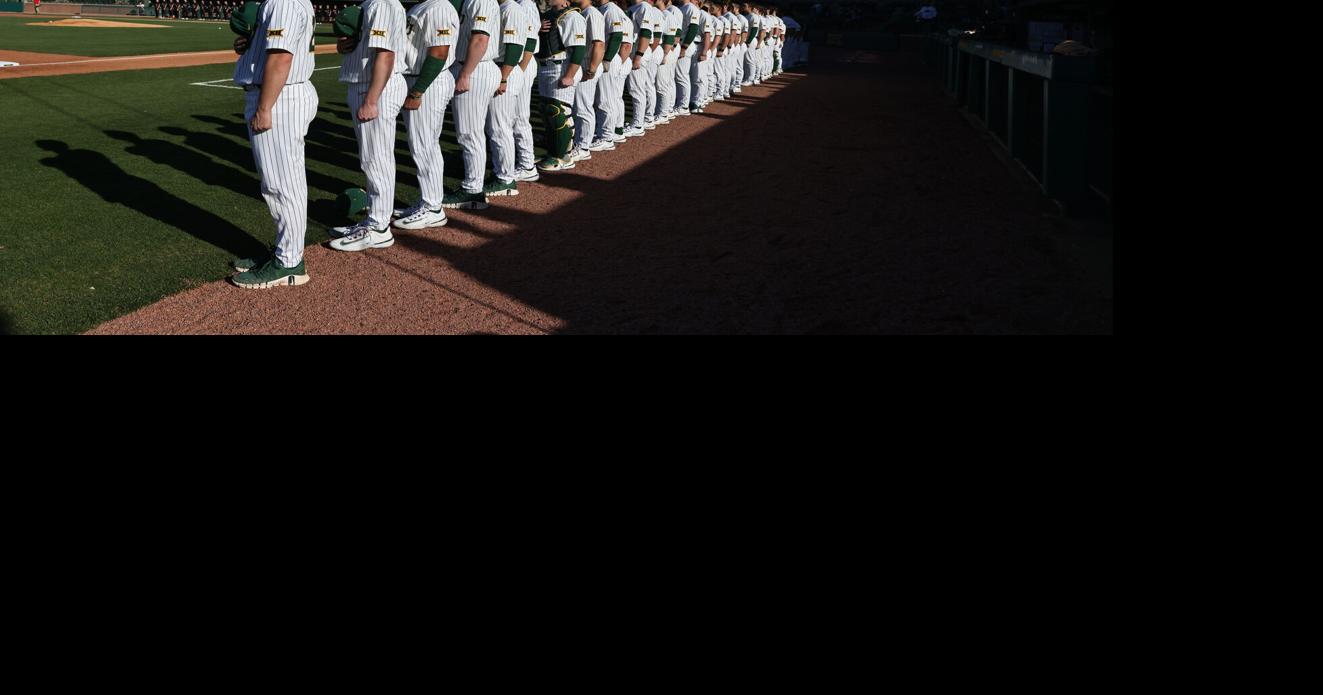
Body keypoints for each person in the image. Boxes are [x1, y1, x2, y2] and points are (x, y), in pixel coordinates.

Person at [228, 0, 319, 289]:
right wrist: (251, 45)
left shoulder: (283, 1)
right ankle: (285, 252)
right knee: (282, 182)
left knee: (282, 185)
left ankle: (289, 262)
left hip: (280, 99)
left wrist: (265, 107)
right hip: (283, 94)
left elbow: (281, 58)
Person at [329, 0, 408, 252]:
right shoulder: (371, 3)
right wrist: (345, 46)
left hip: (375, 89)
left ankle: (379, 228)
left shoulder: (381, 4)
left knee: (376, 159)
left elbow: (386, 54)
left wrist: (372, 100)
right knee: (374, 158)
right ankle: (376, 218)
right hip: (368, 85)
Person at [390, 0, 459, 231]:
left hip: (428, 82)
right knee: (423, 144)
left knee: (424, 145)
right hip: (421, 79)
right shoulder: (423, 5)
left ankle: (432, 208)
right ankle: (428, 201)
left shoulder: (438, 7)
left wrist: (418, 91)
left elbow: (439, 52)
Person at [444, 0, 502, 209]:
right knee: (473, 131)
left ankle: (473, 189)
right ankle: (474, 182)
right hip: (475, 67)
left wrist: (465, 74)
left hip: (475, 69)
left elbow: (480, 39)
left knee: (469, 133)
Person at [482, 0, 531, 195]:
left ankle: (505, 179)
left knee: (499, 127)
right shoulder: (503, 7)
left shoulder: (511, 9)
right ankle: (501, 172)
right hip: (502, 69)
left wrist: (503, 77)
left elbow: (515, 46)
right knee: (498, 127)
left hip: (505, 70)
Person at [534, 0, 586, 171]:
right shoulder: (548, 16)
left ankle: (564, 156)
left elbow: (578, 48)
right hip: (546, 66)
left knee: (559, 111)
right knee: (546, 111)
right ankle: (553, 151)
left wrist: (569, 75)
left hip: (561, 66)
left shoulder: (572, 17)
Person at [591, 0, 631, 148]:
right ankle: (610, 131)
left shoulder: (611, 9)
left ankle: (606, 137)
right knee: (608, 98)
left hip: (609, 57)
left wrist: (607, 59)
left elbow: (617, 35)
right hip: (606, 57)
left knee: (605, 99)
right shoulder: (604, 8)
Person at [569, 0, 606, 160]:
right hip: (583, 63)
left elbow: (599, 44)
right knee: (579, 107)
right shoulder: (583, 12)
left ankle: (583, 146)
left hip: (588, 64)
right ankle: (580, 141)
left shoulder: (592, 13)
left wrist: (591, 69)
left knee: (583, 106)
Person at [512, 0, 541, 183]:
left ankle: (527, 165)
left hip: (523, 63)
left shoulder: (525, 4)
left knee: (519, 117)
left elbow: (530, 41)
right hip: (519, 63)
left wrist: (519, 71)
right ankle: (523, 159)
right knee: (514, 117)